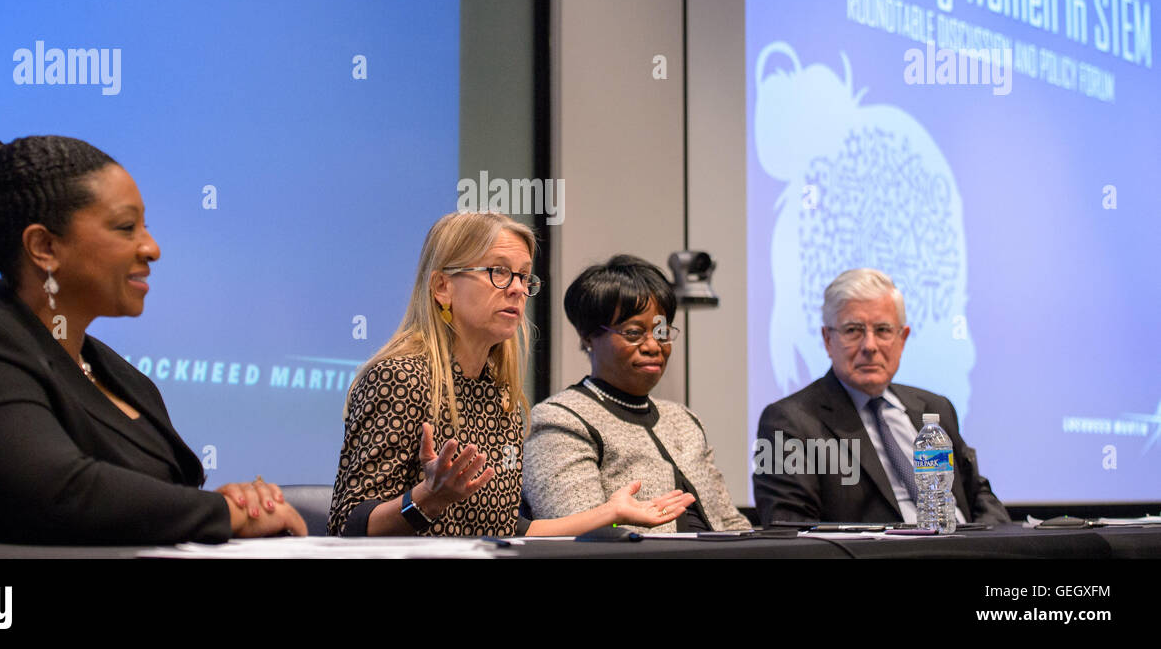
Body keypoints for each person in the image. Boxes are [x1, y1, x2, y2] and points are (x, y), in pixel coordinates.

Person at [0, 136, 306, 554]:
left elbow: (156, 506)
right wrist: (221, 513)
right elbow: (62, 494)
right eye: (126, 227)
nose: (152, 247)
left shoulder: (120, 375)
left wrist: (239, 505)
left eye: (146, 226)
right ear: (45, 247)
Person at [328, 212, 695, 536]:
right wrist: (428, 498)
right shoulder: (399, 377)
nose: (518, 288)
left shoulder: (502, 396)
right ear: (443, 287)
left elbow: (507, 529)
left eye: (523, 277)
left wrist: (609, 514)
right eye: (499, 272)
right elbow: (349, 525)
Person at [752, 268, 1008, 526]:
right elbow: (790, 527)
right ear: (828, 340)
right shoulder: (789, 422)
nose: (870, 346)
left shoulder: (934, 408)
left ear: (902, 338)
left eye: (883, 330)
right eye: (853, 330)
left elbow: (979, 496)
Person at [522, 255, 751, 533]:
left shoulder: (683, 420)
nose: (654, 346)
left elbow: (730, 522)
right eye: (634, 333)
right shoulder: (561, 420)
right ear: (588, 336)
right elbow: (581, 533)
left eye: (662, 331)